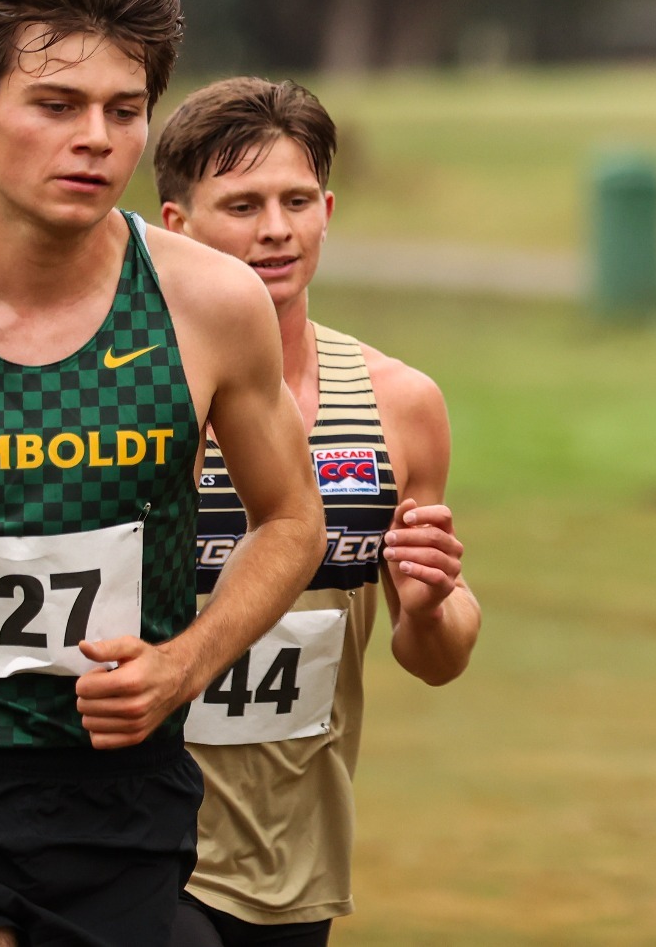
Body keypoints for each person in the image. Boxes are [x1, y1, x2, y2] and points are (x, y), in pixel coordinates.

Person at [0, 0, 327, 947]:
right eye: (57, 104)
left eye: (126, 110)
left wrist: (187, 662)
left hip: (120, 794)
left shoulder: (209, 304)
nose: (97, 137)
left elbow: (292, 520)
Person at [153, 77, 480, 947]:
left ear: (327, 211)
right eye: (243, 203)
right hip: (141, 843)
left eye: (297, 200)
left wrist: (433, 595)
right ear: (175, 227)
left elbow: (435, 654)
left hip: (298, 861)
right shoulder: (131, 400)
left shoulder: (399, 402)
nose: (275, 228)